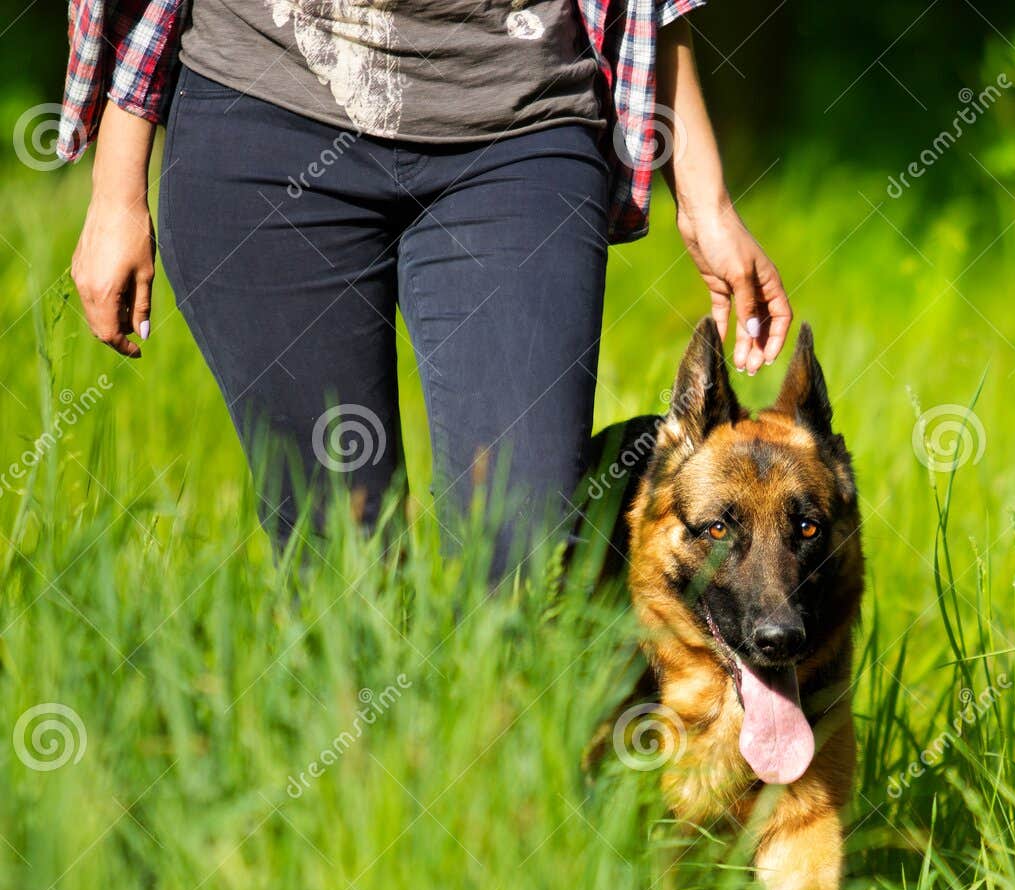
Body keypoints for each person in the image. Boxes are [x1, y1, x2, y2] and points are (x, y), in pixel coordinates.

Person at [60, 1, 791, 573]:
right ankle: (359, 756)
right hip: (267, 119)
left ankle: (498, 749)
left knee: (521, 542)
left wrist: (705, 198)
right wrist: (116, 188)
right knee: (337, 545)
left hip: (519, 129)